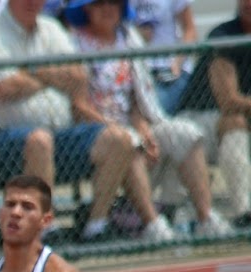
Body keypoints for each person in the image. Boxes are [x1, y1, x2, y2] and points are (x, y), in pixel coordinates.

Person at [0, 0, 147, 243]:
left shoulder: (51, 28)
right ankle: (45, 230)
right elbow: (3, 87)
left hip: (60, 134)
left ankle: (95, 226)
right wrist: (52, 75)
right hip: (1, 140)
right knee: (40, 139)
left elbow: (77, 76)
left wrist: (29, 71)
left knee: (119, 137)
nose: (32, 3)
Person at [67, 0, 231, 239]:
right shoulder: (76, 44)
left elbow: (137, 98)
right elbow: (78, 106)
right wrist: (123, 131)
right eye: (98, 4)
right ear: (86, 10)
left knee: (186, 133)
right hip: (96, 132)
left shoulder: (128, 37)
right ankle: (152, 224)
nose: (108, 9)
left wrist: (143, 128)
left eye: (113, 4)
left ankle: (206, 217)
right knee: (127, 143)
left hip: (135, 121)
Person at [171, 0, 251, 229]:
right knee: (234, 122)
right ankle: (244, 212)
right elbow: (229, 101)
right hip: (197, 120)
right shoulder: (225, 35)